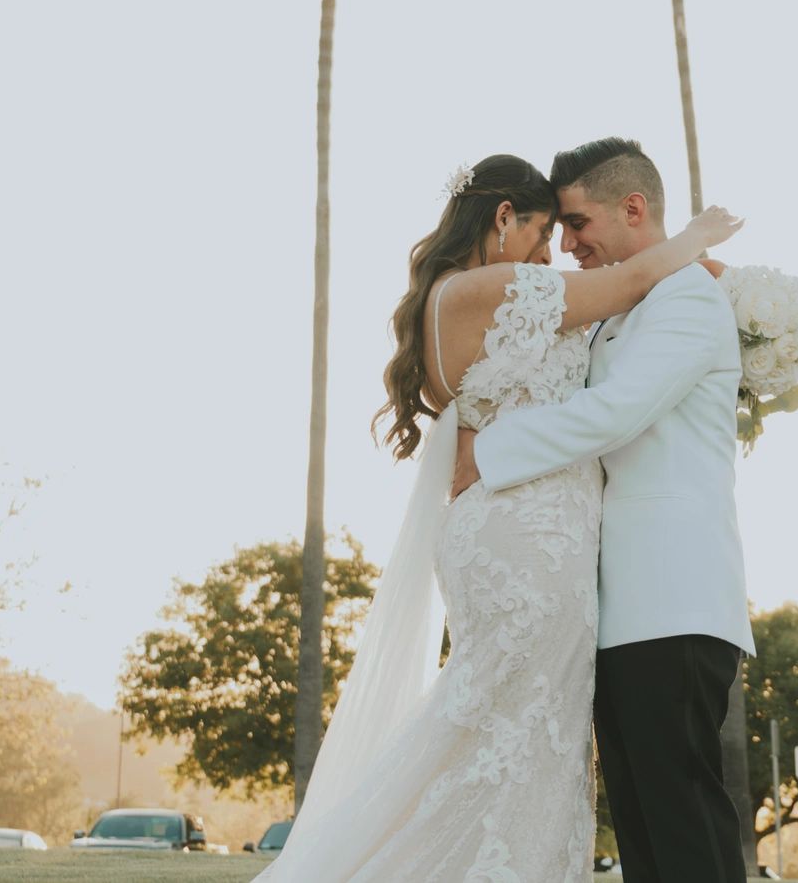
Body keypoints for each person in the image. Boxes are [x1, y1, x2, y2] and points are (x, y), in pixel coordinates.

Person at [256, 149, 742, 883]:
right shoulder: (504, 288)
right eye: (549, 231)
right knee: (524, 744)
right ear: (504, 216)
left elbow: (627, 335)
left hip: (560, 552)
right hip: (532, 541)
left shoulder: (473, 296)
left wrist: (733, 291)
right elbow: (626, 292)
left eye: (571, 229)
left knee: (517, 741)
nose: (558, 253)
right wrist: (696, 241)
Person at [460, 137, 753, 883]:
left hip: (673, 599)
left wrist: (488, 452)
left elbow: (616, 411)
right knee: (645, 829)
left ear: (632, 207)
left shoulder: (687, 296)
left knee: (682, 817)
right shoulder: (620, 310)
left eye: (577, 221)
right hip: (616, 607)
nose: (566, 243)